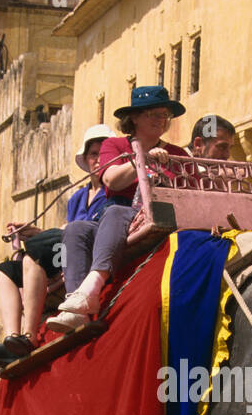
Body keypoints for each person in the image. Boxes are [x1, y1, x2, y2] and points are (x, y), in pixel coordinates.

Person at [48, 87, 191, 333]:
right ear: (134, 117)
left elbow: (190, 188)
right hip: (117, 212)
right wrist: (142, 159)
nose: (161, 120)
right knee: (76, 228)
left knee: (114, 215)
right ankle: (74, 304)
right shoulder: (114, 146)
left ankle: (94, 285)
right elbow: (112, 181)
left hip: (158, 214)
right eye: (153, 114)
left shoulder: (176, 153)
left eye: (164, 114)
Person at [0, 126, 114, 365]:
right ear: (86, 159)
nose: (98, 159)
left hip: (86, 252)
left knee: (34, 253)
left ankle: (29, 335)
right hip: (63, 251)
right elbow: (65, 229)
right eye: (93, 154)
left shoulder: (114, 193)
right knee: (4, 271)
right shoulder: (77, 197)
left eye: (103, 153)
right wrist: (36, 232)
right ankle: (12, 336)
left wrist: (43, 238)